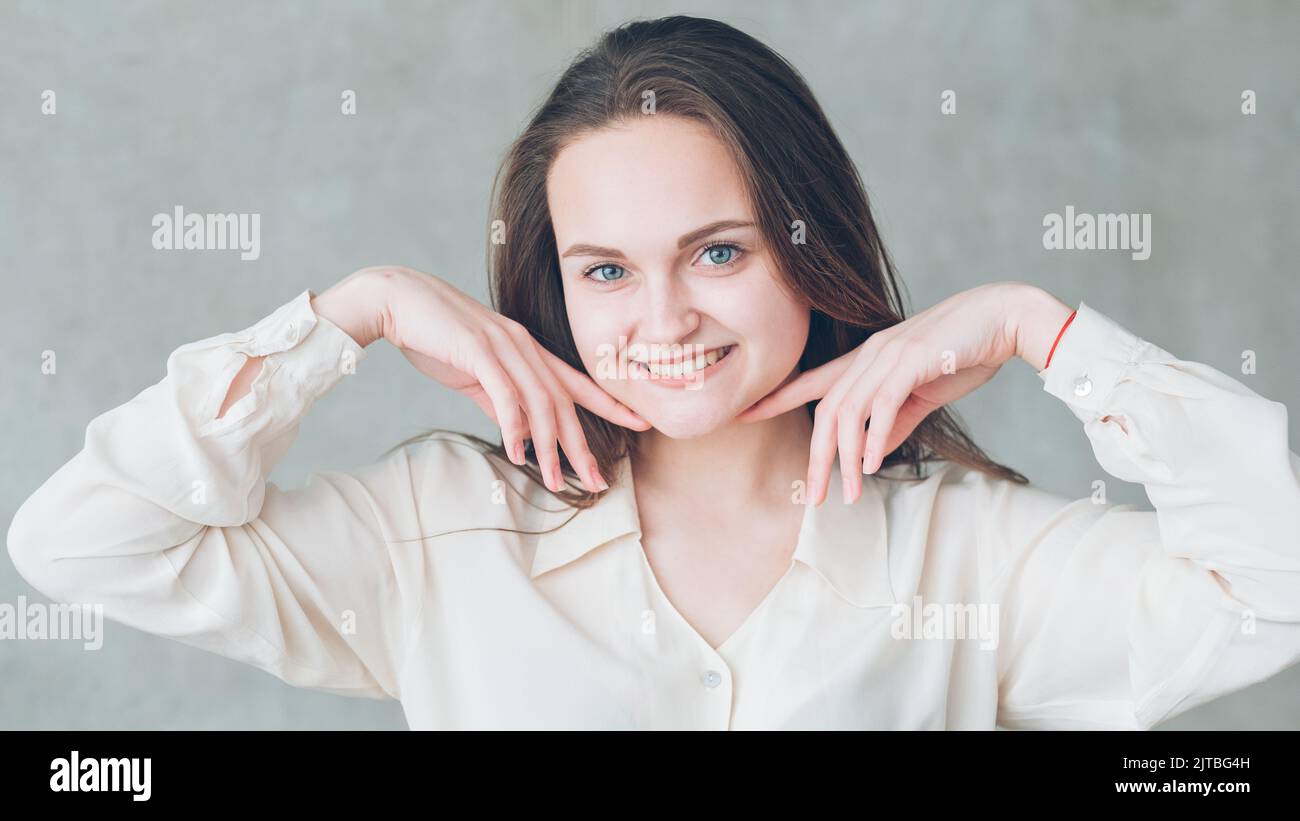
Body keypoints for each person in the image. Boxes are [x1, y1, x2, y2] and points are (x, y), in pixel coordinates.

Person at [8, 15, 1299, 730]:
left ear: (811, 244)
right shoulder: (434, 533)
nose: (663, 314)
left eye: (719, 250)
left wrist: (1038, 324)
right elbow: (82, 546)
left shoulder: (974, 559)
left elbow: (1276, 589)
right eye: (607, 269)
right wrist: (354, 311)